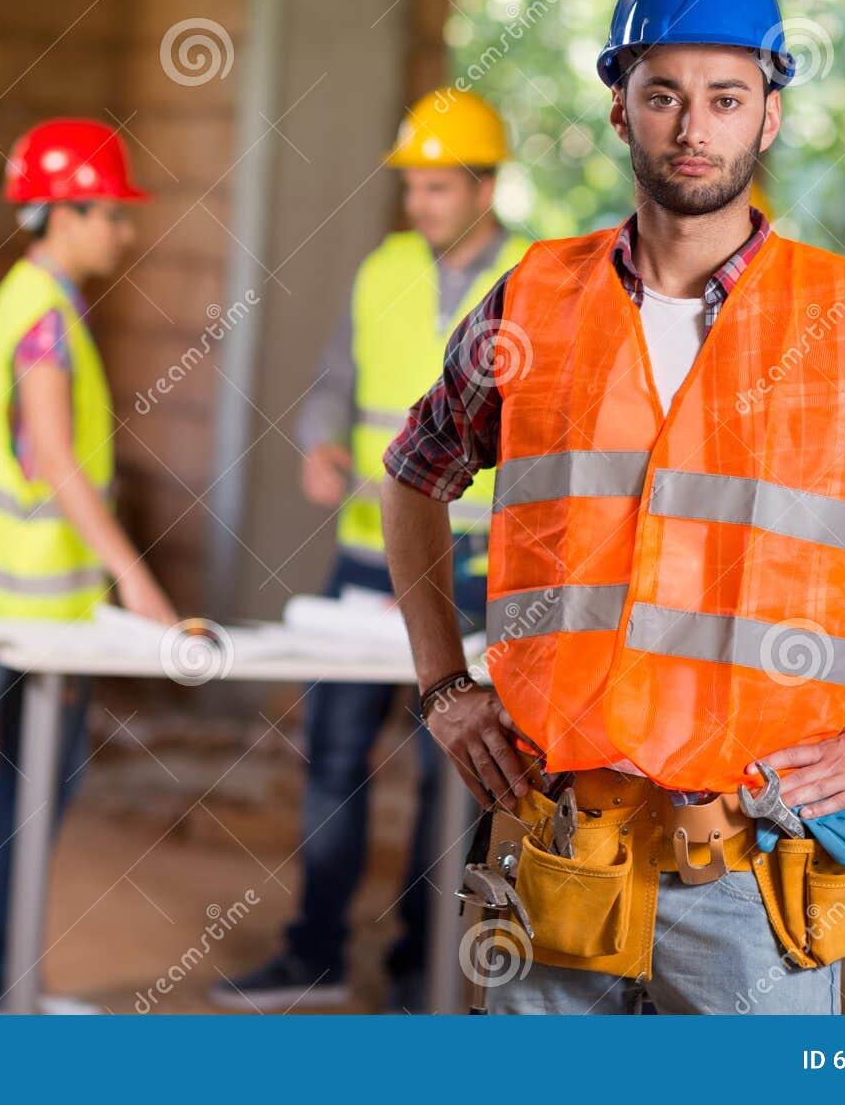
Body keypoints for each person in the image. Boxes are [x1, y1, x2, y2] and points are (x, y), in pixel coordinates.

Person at [379, 0, 845, 1015]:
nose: (693, 127)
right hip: (554, 851)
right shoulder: (531, 302)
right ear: (620, 111)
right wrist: (443, 685)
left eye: (725, 97)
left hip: (749, 871)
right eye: (662, 95)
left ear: (769, 115)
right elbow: (413, 474)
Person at [211, 90, 530, 1012]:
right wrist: (318, 438)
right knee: (334, 756)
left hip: (476, 561)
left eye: (437, 187)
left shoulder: (535, 277)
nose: (419, 204)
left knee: (454, 774)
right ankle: (313, 953)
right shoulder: (380, 268)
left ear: (484, 185)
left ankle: (420, 971)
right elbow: (334, 385)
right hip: (367, 554)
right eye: (413, 187)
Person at [0, 119, 178, 1014]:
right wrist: (139, 584)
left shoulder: (31, 300)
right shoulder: (45, 322)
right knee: (26, 804)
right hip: (34, 612)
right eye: (112, 213)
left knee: (23, 798)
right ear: (65, 210)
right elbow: (58, 462)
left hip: (20, 604)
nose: (126, 232)